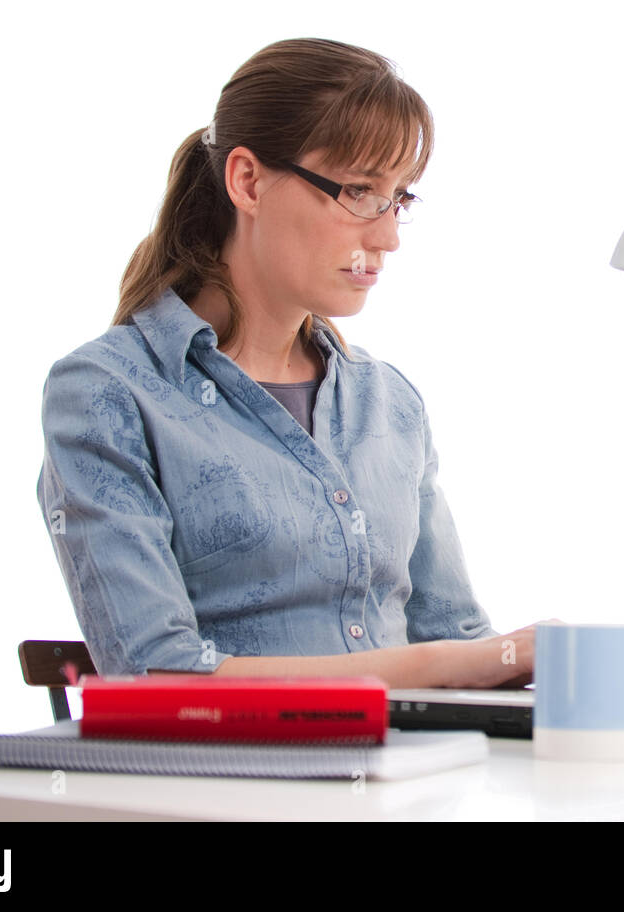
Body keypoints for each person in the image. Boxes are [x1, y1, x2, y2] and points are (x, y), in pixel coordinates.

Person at [36, 38, 538, 688]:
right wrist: (434, 666)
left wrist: (603, 652)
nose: (386, 237)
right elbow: (156, 673)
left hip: (411, 778)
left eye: (400, 199)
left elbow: (461, 641)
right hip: (230, 786)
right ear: (247, 181)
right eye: (359, 191)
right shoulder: (109, 393)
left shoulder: (388, 402)